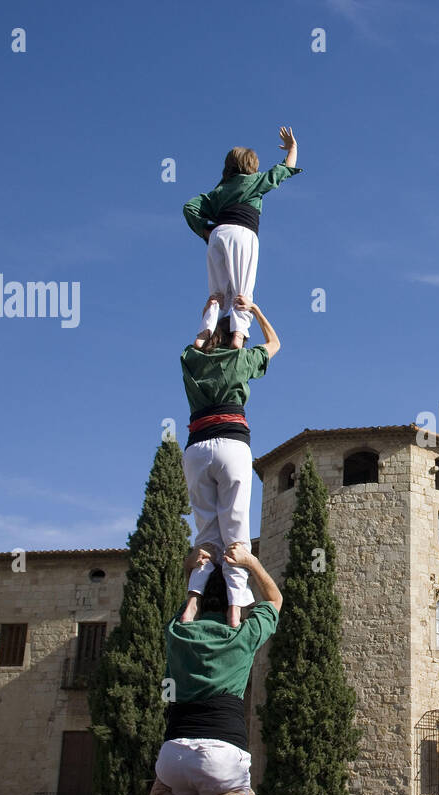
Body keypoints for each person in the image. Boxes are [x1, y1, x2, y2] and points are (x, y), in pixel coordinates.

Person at [155, 549, 281, 795]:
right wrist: (252, 563)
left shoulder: (177, 632)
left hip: (173, 756)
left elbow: (190, 607)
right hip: (222, 757)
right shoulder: (242, 637)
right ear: (233, 603)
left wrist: (192, 568)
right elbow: (274, 599)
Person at [181, 292, 280, 626]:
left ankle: (192, 603)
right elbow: (275, 344)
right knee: (236, 533)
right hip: (231, 445)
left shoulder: (192, 358)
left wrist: (208, 313)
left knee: (206, 535)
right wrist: (255, 310)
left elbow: (198, 340)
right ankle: (235, 610)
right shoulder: (242, 359)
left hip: (196, 449)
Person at [184, 127, 301, 347]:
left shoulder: (218, 191)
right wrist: (292, 148)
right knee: (242, 291)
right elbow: (285, 169)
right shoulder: (255, 181)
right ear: (251, 167)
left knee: (217, 294)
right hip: (242, 234)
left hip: (218, 235)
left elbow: (189, 207)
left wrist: (205, 230)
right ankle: (238, 334)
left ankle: (204, 333)